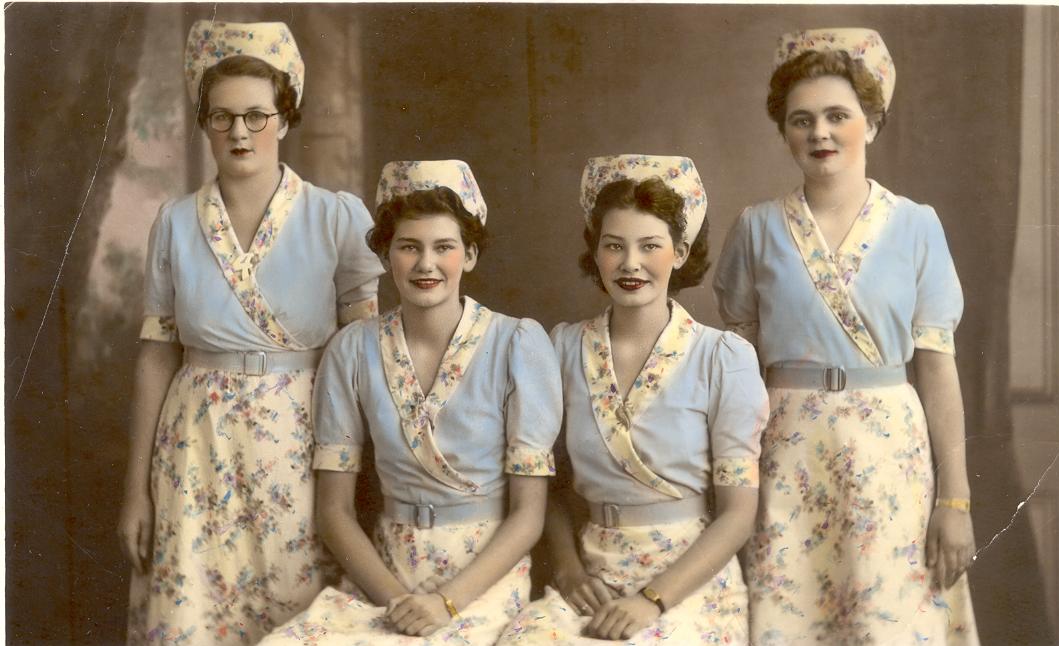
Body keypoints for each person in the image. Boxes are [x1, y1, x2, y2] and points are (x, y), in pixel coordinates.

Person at [117, 20, 384, 644]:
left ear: (285, 119)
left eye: (257, 116)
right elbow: (157, 356)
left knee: (297, 613)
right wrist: (136, 491)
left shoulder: (336, 217)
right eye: (222, 116)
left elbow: (364, 354)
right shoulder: (176, 223)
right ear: (205, 123)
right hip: (195, 448)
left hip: (303, 443)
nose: (240, 132)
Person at [714, 28, 979, 644]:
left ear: (873, 122)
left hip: (890, 459)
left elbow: (938, 369)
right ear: (784, 132)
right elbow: (736, 371)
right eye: (801, 120)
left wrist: (955, 501)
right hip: (785, 458)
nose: (820, 133)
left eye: (839, 115)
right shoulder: (755, 229)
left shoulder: (916, 227)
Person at [260, 160, 562, 645]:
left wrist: (446, 603)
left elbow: (529, 515)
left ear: (470, 255)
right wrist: (396, 601)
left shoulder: (516, 346)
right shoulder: (353, 350)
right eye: (408, 247)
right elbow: (333, 512)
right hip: (385, 576)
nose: (426, 264)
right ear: (385, 256)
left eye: (444, 247)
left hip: (483, 581)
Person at [499, 155, 768, 644]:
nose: (630, 264)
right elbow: (549, 487)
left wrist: (652, 600)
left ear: (680, 252)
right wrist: (568, 571)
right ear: (595, 252)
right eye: (614, 246)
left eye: (650, 246)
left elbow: (736, 515)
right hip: (592, 576)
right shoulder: (562, 349)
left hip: (688, 582)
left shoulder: (722, 358)